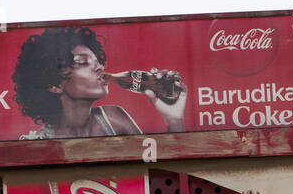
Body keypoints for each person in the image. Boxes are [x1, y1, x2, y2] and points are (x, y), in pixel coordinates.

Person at [12, 27, 187, 139]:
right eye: (82, 62)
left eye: (97, 60)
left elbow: (158, 173)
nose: (99, 67)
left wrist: (174, 118)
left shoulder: (113, 118)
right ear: (54, 85)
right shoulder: (37, 144)